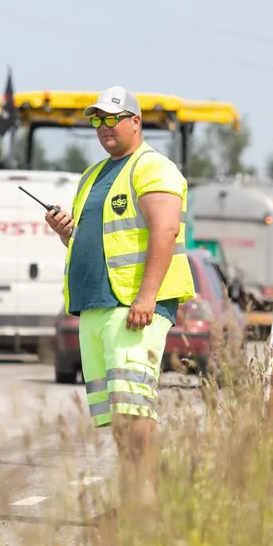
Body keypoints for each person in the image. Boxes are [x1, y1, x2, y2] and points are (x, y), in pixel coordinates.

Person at [43, 86, 195, 516]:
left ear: (135, 122)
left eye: (113, 118)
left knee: (135, 405)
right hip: (97, 306)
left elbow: (164, 232)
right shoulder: (93, 176)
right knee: (119, 414)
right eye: (97, 120)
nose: (104, 128)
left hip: (133, 308)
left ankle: (146, 503)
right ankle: (135, 499)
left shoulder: (152, 167)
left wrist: (146, 298)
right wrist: (63, 233)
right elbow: (94, 243)